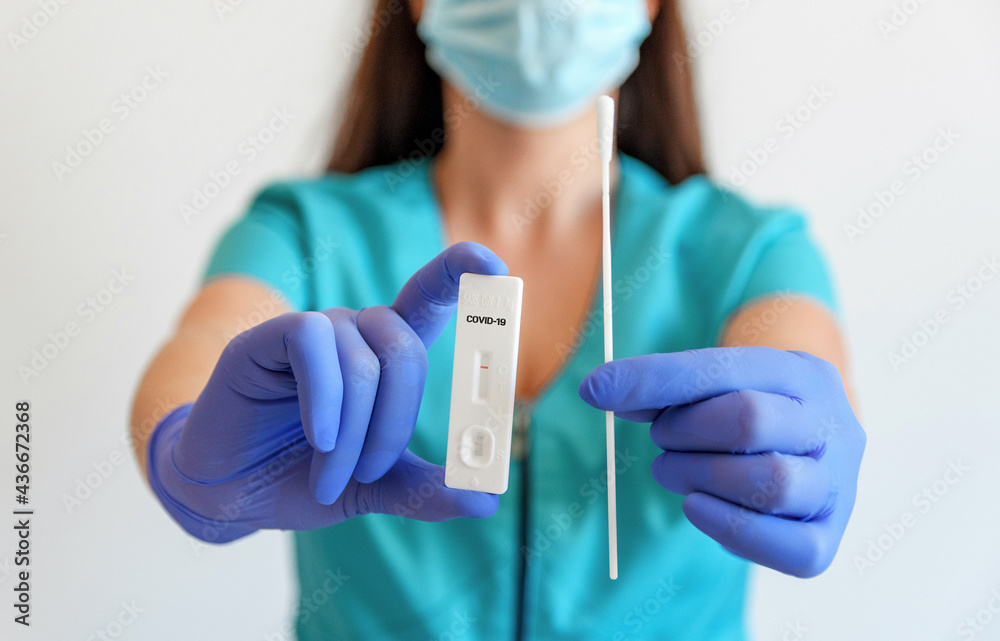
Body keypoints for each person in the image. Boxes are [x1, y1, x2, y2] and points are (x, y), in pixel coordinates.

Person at [130, 0, 867, 639]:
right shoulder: (304, 231)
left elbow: (803, 359)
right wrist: (182, 454)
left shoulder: (749, 250)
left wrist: (809, 443)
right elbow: (203, 348)